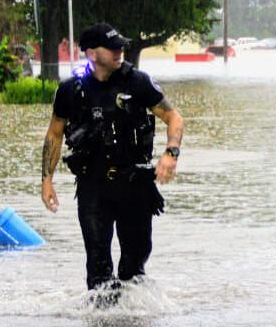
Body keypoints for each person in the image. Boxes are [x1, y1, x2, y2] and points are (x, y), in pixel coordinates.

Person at [40, 23, 184, 295]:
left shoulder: (138, 82)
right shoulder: (70, 90)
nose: (120, 51)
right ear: (92, 53)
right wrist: (46, 181)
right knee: (98, 268)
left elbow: (174, 117)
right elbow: (54, 135)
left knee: (134, 264)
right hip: (93, 187)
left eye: (121, 46)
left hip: (135, 185)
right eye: (113, 47)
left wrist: (171, 153)